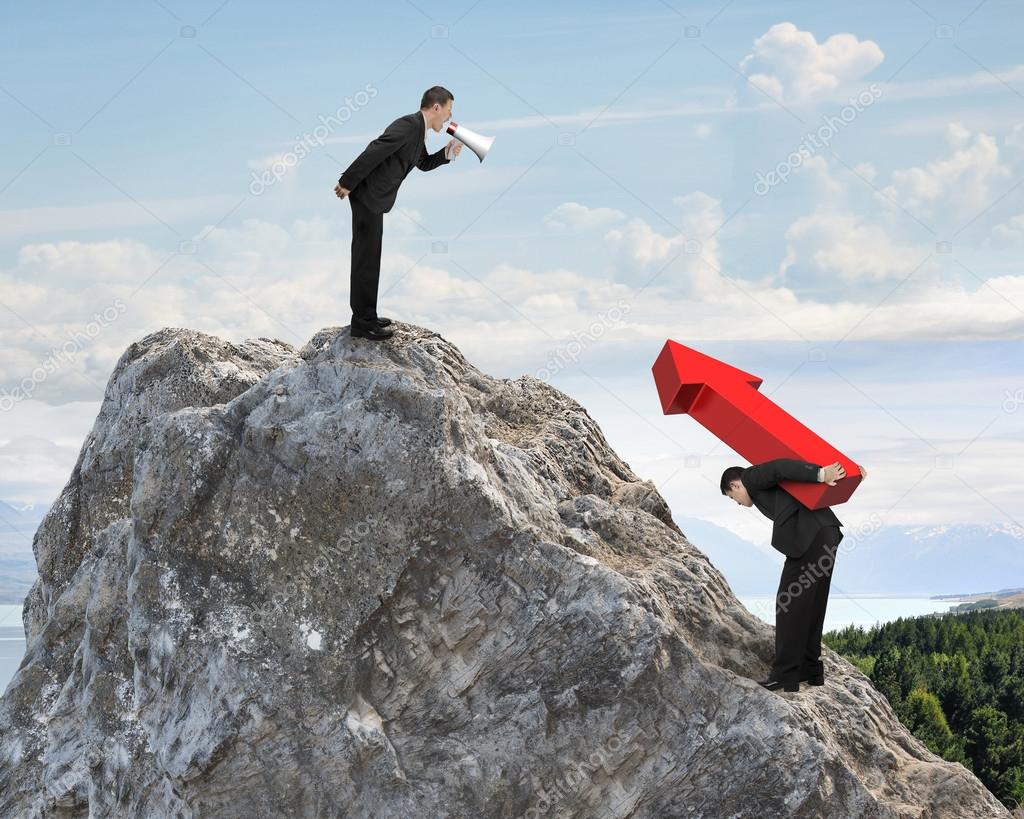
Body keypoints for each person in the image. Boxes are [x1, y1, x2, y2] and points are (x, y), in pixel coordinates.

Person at [720, 459, 867, 692]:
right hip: (826, 533)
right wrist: (851, 475)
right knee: (813, 603)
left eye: (731, 497)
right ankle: (811, 670)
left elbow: (781, 467)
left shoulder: (751, 477)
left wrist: (820, 474)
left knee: (788, 602)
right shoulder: (764, 492)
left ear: (735, 485)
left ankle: (785, 675)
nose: (736, 503)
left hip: (810, 537)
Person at [334, 86, 463, 341]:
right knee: (365, 260)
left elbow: (423, 163)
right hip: (367, 196)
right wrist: (347, 181)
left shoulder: (418, 132)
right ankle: (362, 323)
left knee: (370, 258)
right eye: (448, 112)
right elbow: (375, 150)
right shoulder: (408, 125)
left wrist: (447, 153)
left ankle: (366, 315)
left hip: (374, 199)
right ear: (436, 107)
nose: (449, 118)